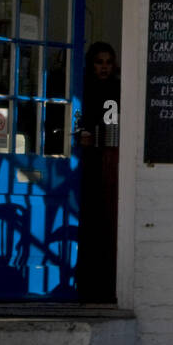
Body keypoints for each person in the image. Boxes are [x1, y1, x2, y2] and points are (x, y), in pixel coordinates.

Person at [76, 41, 121, 302]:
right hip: (83, 159)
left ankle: (100, 281)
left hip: (106, 158)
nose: (103, 67)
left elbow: (114, 125)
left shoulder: (117, 89)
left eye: (107, 62)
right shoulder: (82, 88)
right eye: (98, 62)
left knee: (104, 217)